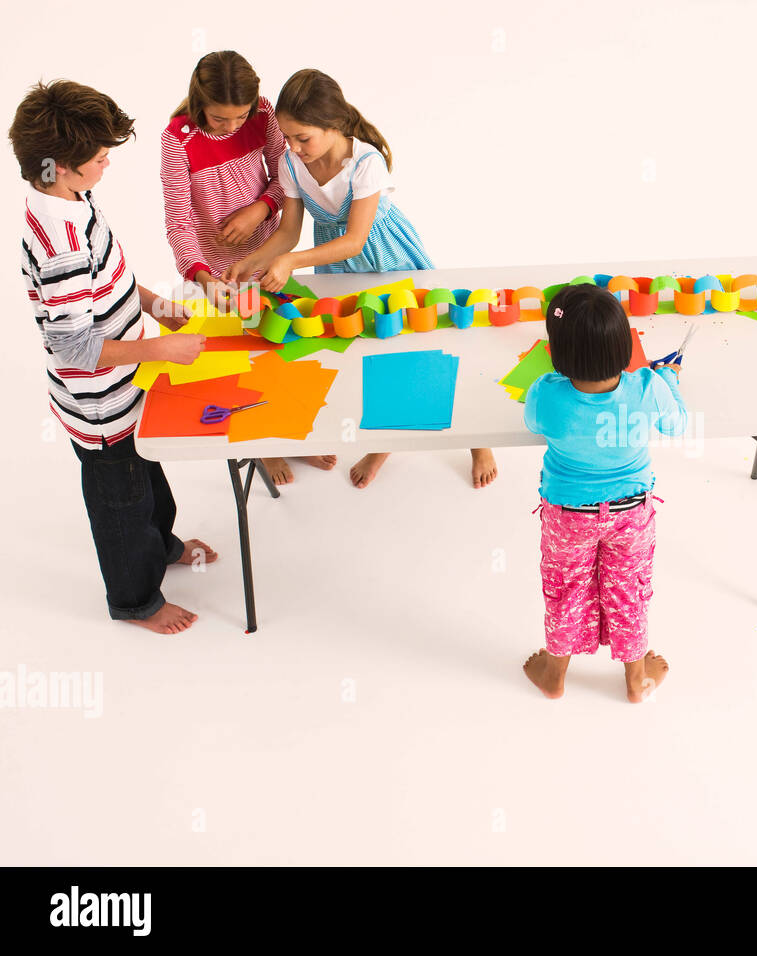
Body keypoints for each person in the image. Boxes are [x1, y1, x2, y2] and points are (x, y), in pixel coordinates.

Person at [226, 69, 497, 490]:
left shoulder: (365, 163)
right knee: (370, 348)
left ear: (333, 126)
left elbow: (354, 240)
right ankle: (383, 440)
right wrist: (254, 261)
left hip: (386, 258)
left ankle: (477, 439)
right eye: (289, 137)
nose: (294, 148)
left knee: (424, 344)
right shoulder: (292, 164)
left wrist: (292, 264)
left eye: (304, 138)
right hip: (335, 266)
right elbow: (287, 233)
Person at [12, 80, 215, 634]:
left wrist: (154, 305)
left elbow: (112, 281)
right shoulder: (58, 243)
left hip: (129, 382)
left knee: (147, 472)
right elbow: (72, 345)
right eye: (99, 158)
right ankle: (135, 600)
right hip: (99, 406)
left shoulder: (73, 199)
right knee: (120, 502)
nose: (107, 164)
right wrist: (162, 348)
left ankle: (165, 545)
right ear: (59, 166)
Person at [163, 50, 335, 485]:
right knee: (242, 356)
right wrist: (201, 276)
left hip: (269, 245)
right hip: (214, 264)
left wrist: (259, 210)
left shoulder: (263, 114)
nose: (233, 126)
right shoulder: (177, 138)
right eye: (221, 119)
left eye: (240, 117)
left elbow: (287, 176)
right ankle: (263, 444)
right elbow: (178, 218)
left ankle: (292, 430)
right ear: (199, 100)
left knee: (281, 338)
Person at [521, 284, 688, 702]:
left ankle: (555, 674)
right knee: (627, 588)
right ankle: (636, 679)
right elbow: (677, 424)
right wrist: (669, 378)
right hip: (631, 513)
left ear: (558, 352)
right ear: (623, 345)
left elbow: (533, 423)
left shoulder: (545, 393)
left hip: (567, 516)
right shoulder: (649, 388)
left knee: (565, 588)